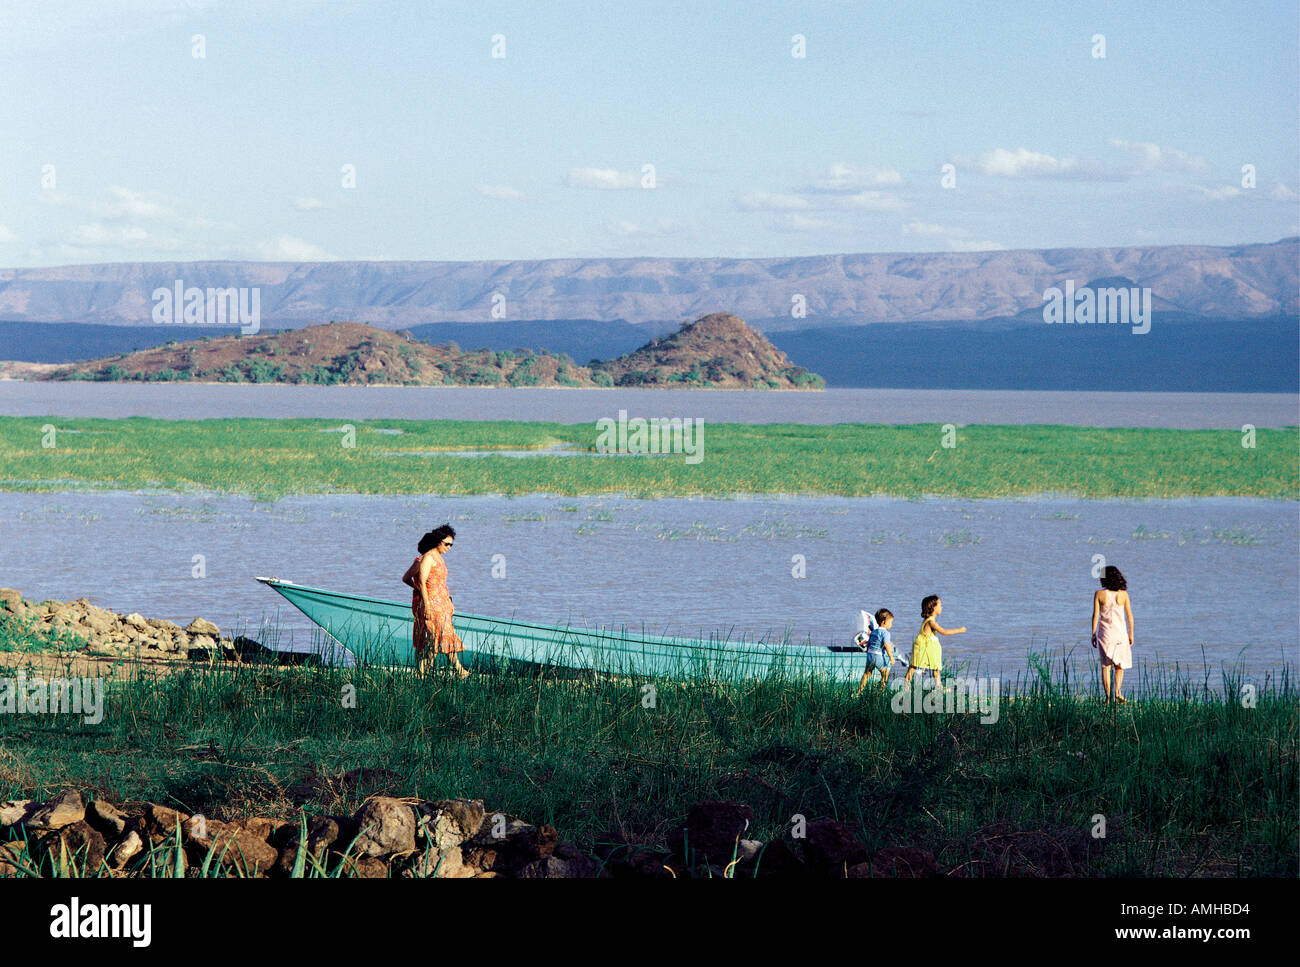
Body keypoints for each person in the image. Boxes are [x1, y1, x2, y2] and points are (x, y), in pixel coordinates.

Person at [401, 523, 469, 678]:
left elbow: (441, 584)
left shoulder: (438, 558)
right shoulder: (428, 557)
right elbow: (423, 581)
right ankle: (426, 673)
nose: (449, 547)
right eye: (446, 544)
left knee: (445, 635)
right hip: (431, 603)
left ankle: (455, 671)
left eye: (451, 545)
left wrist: (449, 602)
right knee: (433, 638)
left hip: (442, 603)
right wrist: (426, 603)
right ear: (438, 541)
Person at [1092, 565, 1134, 703]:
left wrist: (1093, 633)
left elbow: (1096, 616)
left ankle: (1108, 697)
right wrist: (1131, 634)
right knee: (1119, 666)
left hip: (1105, 634)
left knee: (1106, 665)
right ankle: (1117, 692)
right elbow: (1129, 616)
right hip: (1121, 633)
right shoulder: (1123, 595)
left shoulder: (1099, 594)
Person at [904, 595, 965, 688]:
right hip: (923, 649)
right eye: (940, 605)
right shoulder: (930, 622)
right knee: (914, 667)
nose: (941, 607)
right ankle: (905, 686)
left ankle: (939, 686)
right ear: (933, 607)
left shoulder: (929, 620)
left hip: (929, 649)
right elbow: (944, 632)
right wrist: (959, 630)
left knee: (935, 669)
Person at [855, 608, 898, 695]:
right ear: (884, 622)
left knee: (867, 674)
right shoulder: (886, 633)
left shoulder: (873, 632)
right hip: (878, 656)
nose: (891, 625)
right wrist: (891, 657)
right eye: (891, 622)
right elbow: (886, 645)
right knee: (885, 674)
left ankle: (858, 692)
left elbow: (869, 644)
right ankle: (880, 692)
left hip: (870, 655)